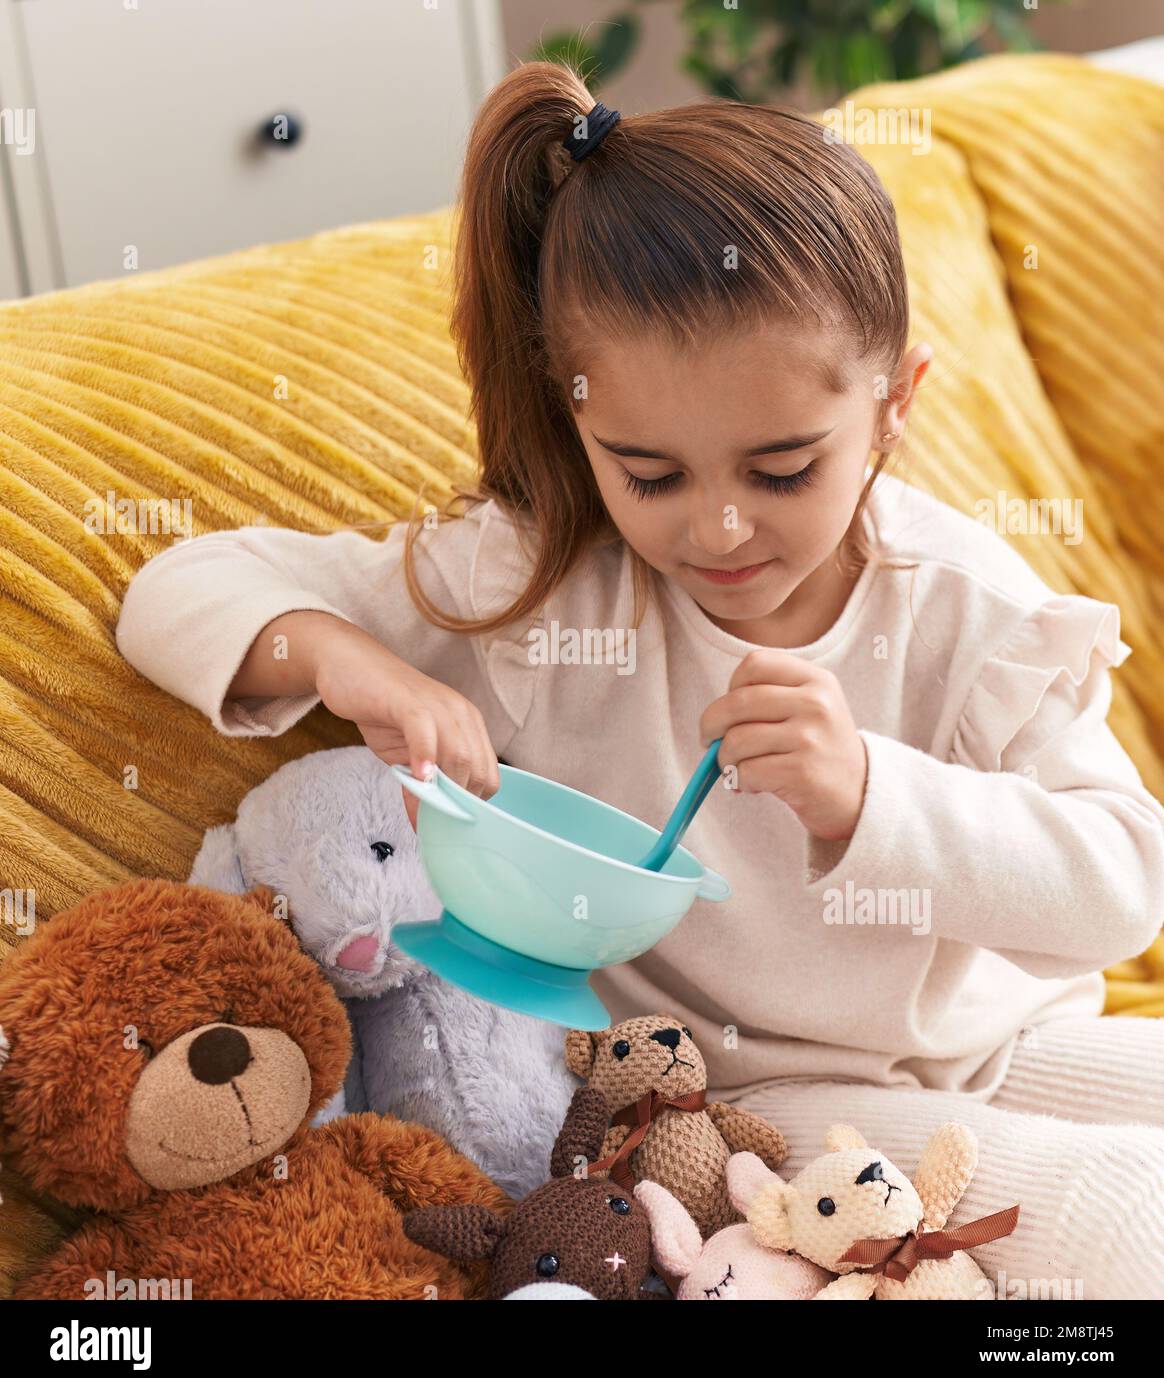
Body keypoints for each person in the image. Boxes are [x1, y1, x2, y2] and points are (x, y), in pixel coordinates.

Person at [115, 62, 1164, 1297]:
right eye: (651, 474)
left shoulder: (964, 607)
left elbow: (1124, 888)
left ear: (894, 405)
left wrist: (869, 796)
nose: (719, 530)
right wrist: (352, 664)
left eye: (782, 470)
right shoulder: (541, 585)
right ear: (578, 427)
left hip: (1000, 1043)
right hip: (747, 1108)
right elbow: (180, 588)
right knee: (1130, 1233)